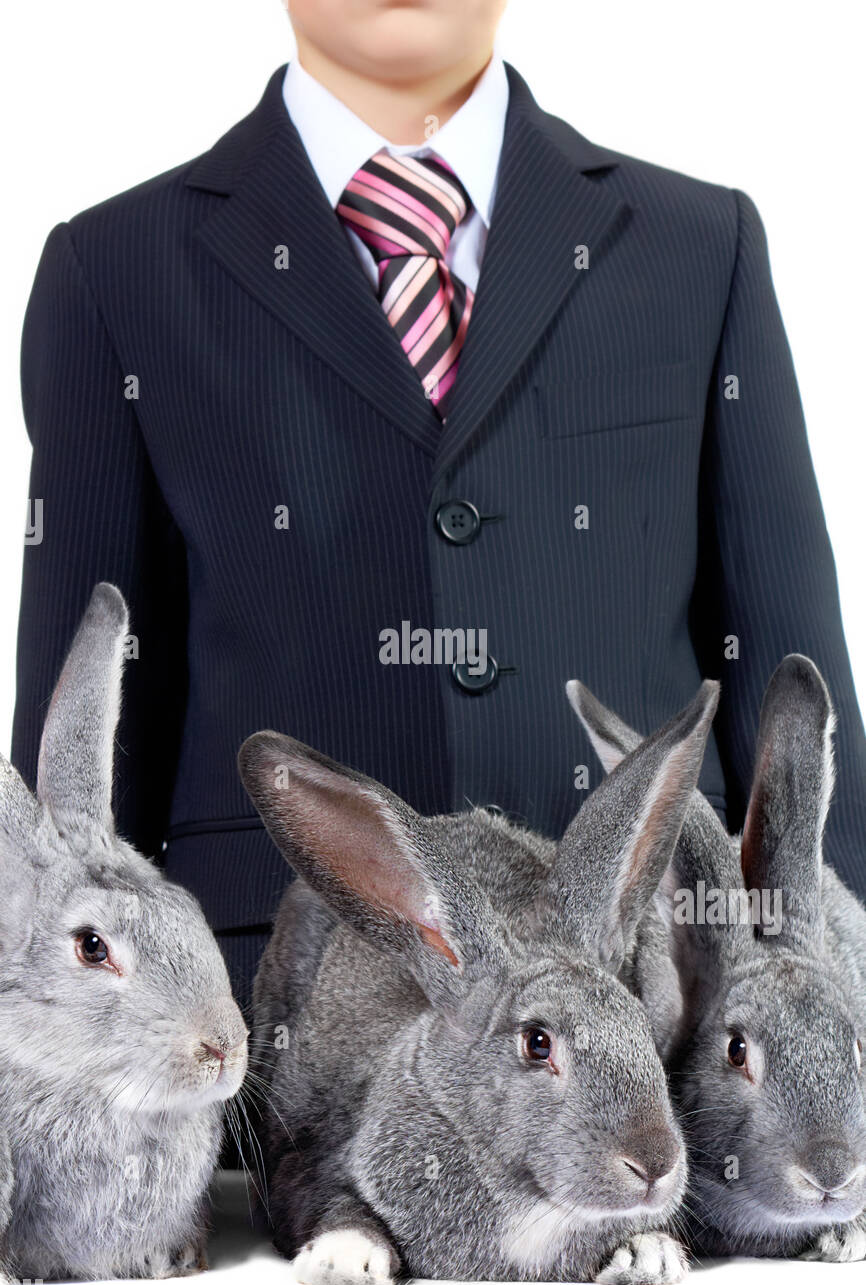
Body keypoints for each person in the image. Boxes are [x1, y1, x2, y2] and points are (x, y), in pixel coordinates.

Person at [14, 0, 866, 1014]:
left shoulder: (693, 247)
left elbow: (784, 668)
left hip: (644, 1010)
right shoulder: (117, 270)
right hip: (274, 1019)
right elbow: (87, 734)